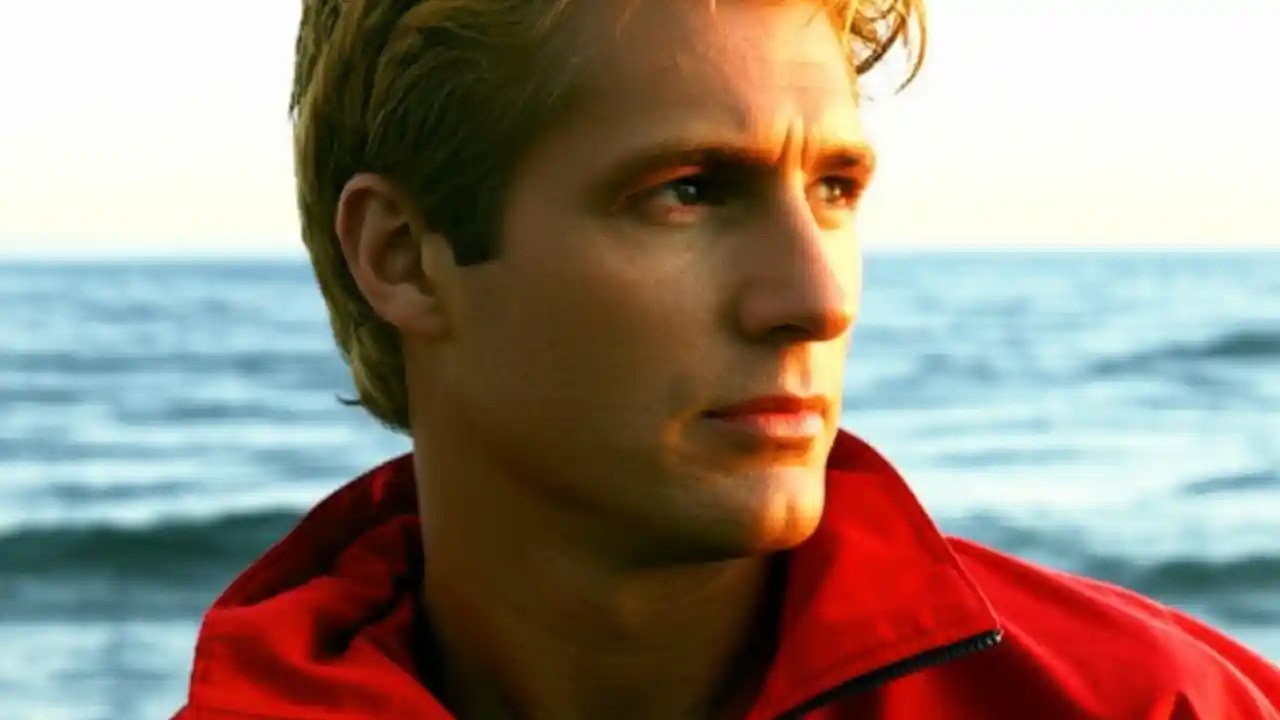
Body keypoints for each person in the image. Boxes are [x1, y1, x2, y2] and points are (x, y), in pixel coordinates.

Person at [175, 0, 1280, 717]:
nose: (815, 298)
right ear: (405, 258)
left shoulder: (1152, 708)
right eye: (688, 192)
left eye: (834, 191)